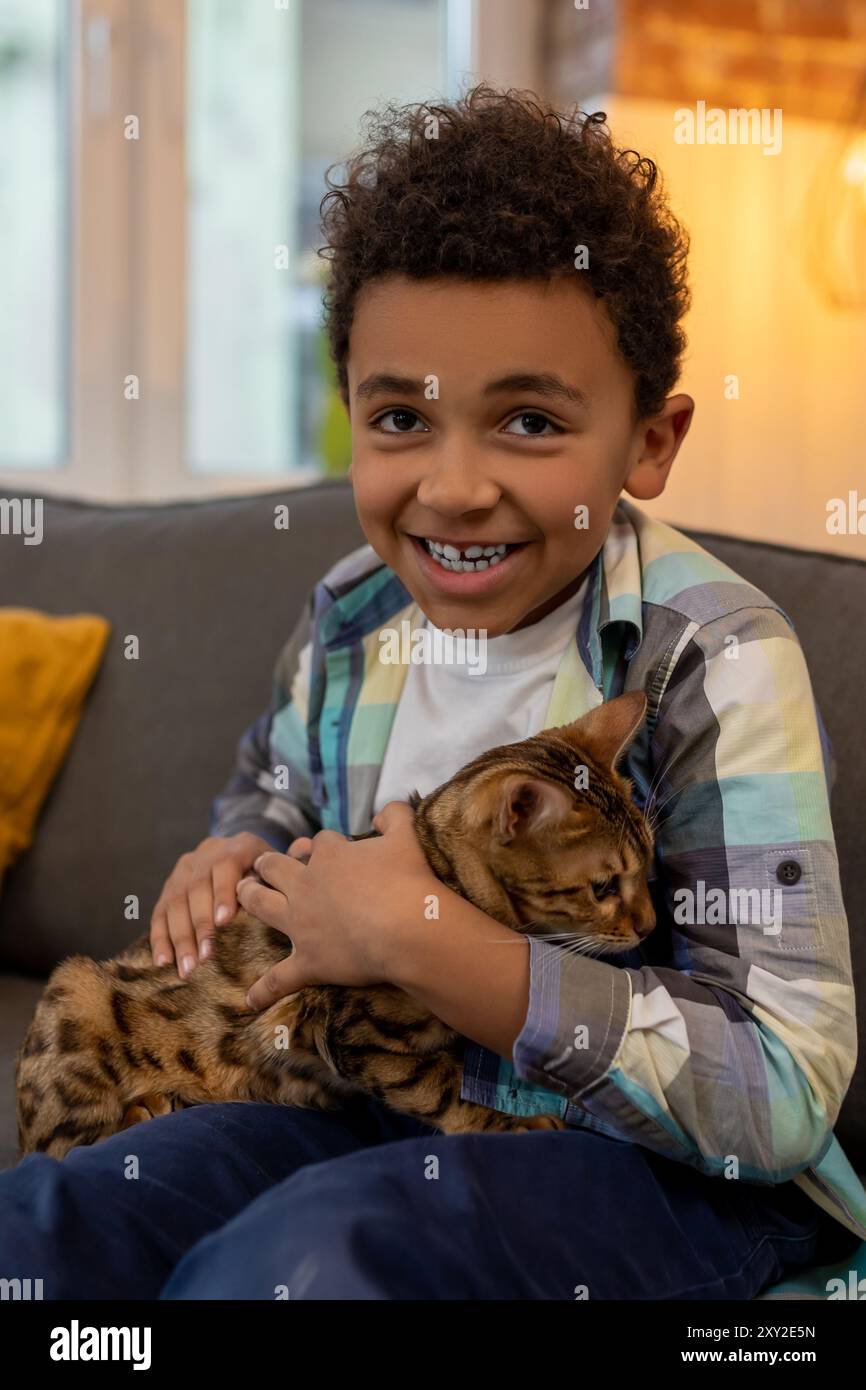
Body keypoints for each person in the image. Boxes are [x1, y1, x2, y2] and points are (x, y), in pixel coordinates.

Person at [3, 86, 864, 1300]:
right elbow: (274, 776)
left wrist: (425, 938)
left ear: (648, 442)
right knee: (50, 1223)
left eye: (525, 418)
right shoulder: (354, 613)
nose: (453, 489)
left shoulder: (710, 660)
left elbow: (773, 1093)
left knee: (302, 1265)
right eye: (401, 416)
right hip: (374, 1105)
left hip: (652, 1167)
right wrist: (239, 839)